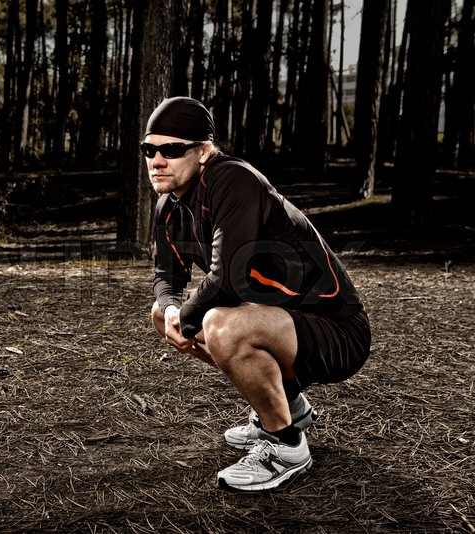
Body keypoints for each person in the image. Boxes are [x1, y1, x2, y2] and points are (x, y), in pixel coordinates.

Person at [145, 96, 371, 491]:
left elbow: (227, 279)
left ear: (203, 152)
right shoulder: (169, 205)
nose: (157, 160)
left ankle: (286, 446)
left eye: (171, 149)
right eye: (149, 149)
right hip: (280, 322)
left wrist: (188, 317)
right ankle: (290, 408)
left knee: (218, 324)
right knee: (163, 313)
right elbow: (167, 276)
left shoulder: (232, 180)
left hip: (338, 330)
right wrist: (169, 309)